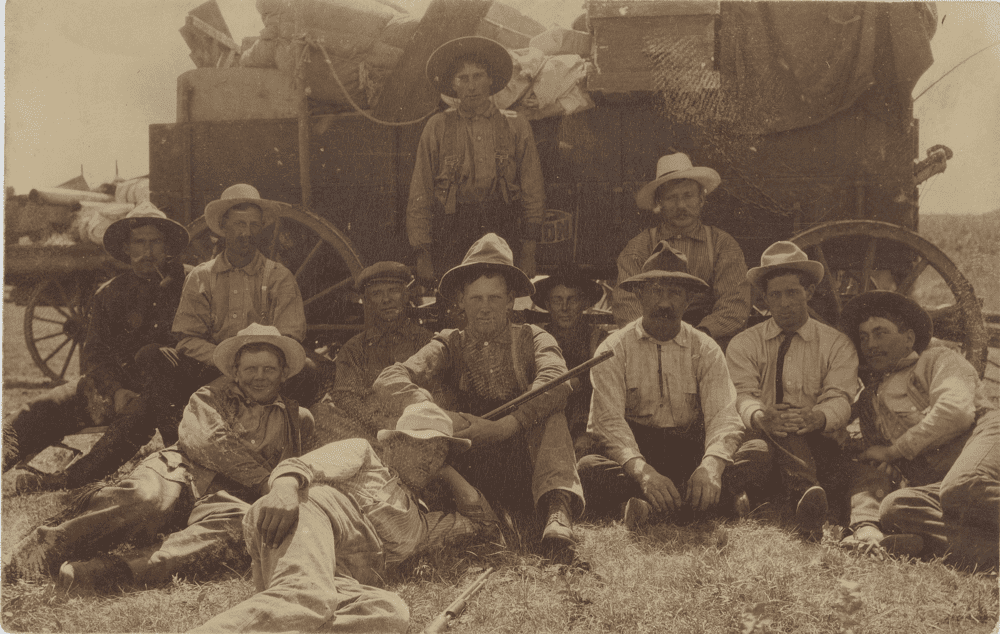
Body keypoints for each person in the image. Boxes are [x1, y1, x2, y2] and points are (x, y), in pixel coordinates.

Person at [6, 324, 315, 593]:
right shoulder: (209, 397)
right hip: (181, 472)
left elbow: (304, 466)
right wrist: (266, 481)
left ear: (284, 373)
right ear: (235, 372)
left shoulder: (298, 418)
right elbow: (209, 443)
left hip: (230, 498)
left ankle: (110, 571)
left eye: (269, 369)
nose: (259, 377)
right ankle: (40, 553)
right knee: (146, 499)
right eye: (250, 369)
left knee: (240, 530)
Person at [191, 401, 499, 633]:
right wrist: (284, 489)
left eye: (440, 451)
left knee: (389, 613)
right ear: (392, 443)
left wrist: (447, 471)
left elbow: (484, 523)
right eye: (422, 446)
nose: (431, 459)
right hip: (307, 516)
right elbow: (301, 467)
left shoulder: (423, 523)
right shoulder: (364, 455)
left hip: (339, 578)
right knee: (308, 597)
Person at [374, 233, 583, 554]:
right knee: (413, 413)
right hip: (469, 464)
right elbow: (389, 379)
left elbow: (558, 380)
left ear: (511, 300)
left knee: (550, 412)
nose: (485, 308)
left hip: (523, 463)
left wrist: (506, 425)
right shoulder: (448, 342)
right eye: (476, 299)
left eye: (495, 298)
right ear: (461, 301)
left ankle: (557, 512)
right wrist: (433, 412)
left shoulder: (533, 338)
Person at [3, 202, 190, 493]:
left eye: (155, 242)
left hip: (170, 391)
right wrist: (115, 391)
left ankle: (65, 481)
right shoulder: (109, 293)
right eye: (139, 242)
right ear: (126, 248)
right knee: (42, 408)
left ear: (168, 247)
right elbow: (95, 354)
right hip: (114, 386)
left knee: (138, 415)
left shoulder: (189, 283)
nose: (148, 250)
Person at [578, 241, 747, 528]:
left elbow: (723, 415)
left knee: (755, 454)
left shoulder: (705, 348)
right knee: (588, 469)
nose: (664, 303)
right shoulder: (614, 348)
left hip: (691, 450)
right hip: (638, 452)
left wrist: (711, 466)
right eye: (656, 291)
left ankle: (646, 507)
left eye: (675, 293)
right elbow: (607, 423)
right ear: (640, 294)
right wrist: (643, 472)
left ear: (688, 299)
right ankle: (704, 504)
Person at [838, 291, 999, 569]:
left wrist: (893, 451)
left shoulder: (938, 359)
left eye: (880, 333)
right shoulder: (870, 400)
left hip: (984, 438)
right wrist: (891, 466)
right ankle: (987, 551)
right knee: (896, 508)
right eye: (864, 337)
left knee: (962, 486)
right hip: (944, 478)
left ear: (909, 338)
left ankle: (935, 544)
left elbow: (955, 412)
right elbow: (887, 462)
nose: (870, 345)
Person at [141, 183, 316, 428]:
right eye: (239, 224)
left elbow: (289, 337)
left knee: (307, 368)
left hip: (261, 374)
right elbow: (187, 338)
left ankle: (273, 432)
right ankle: (181, 438)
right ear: (223, 227)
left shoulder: (279, 276)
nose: (247, 233)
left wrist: (251, 367)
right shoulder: (201, 277)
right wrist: (225, 362)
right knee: (155, 356)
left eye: (254, 225)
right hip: (211, 367)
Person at [725, 242, 858, 538]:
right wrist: (761, 416)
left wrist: (818, 418)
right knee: (756, 455)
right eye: (775, 295)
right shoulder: (744, 344)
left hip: (814, 441)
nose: (785, 302)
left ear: (808, 293)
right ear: (764, 299)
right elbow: (741, 395)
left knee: (802, 439)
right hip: (762, 436)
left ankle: (792, 499)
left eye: (793, 293)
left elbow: (841, 396)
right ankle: (805, 495)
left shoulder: (836, 344)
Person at [407, 36, 545, 286]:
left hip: (502, 229)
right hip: (452, 232)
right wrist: (423, 253)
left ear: (491, 80)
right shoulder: (437, 127)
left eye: (478, 76)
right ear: (453, 84)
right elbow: (421, 192)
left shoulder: (515, 124)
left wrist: (529, 250)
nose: (471, 86)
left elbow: (532, 189)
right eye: (463, 78)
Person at [612, 153, 751, 347]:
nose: (681, 206)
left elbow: (734, 304)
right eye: (671, 198)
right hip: (651, 343)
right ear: (659, 204)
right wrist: (656, 337)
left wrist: (698, 337)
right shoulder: (639, 247)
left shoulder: (722, 244)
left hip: (707, 342)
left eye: (688, 196)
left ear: (701, 199)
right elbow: (626, 303)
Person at [312, 262, 434, 444]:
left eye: (393, 290)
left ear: (406, 294)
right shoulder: (354, 349)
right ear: (367, 302)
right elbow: (346, 397)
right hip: (371, 430)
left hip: (418, 429)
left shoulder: (427, 342)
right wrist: (380, 423)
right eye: (377, 293)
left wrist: (408, 422)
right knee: (320, 414)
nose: (386, 299)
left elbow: (439, 394)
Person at [532, 266, 608, 455]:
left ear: (584, 303)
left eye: (572, 300)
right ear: (548, 304)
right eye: (557, 300)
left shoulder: (598, 340)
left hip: (587, 425)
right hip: (544, 421)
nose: (564, 308)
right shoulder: (536, 340)